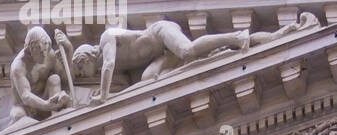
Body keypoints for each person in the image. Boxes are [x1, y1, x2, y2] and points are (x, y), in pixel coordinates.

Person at [67, 14, 318, 102]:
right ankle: (222, 52)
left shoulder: (106, 39)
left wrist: (102, 95)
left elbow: (108, 65)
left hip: (161, 33)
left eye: (79, 71)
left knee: (187, 51)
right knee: (147, 80)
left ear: (85, 58)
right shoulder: (113, 71)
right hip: (161, 55)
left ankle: (234, 36)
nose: (81, 77)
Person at [9, 26, 73, 122]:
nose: (44, 55)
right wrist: (46, 105)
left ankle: (57, 119)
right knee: (18, 116)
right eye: (40, 52)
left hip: (47, 100)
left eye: (45, 50)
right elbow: (25, 96)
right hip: (26, 108)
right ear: (30, 49)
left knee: (55, 78)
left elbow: (66, 80)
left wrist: (69, 50)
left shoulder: (50, 55)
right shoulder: (19, 66)